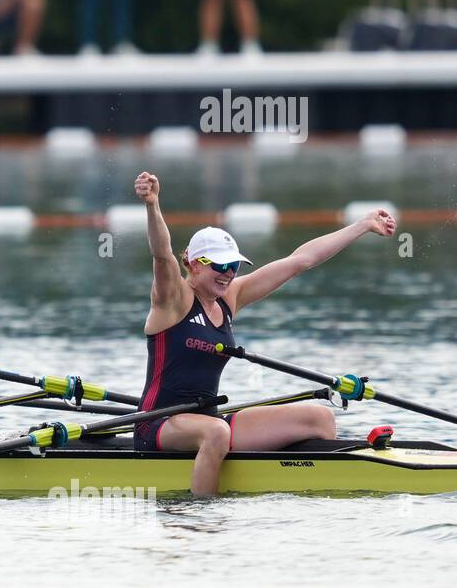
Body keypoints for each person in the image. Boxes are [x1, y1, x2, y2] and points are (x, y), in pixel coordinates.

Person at [132, 171, 397, 496]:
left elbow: (300, 260)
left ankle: (316, 491)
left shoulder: (231, 298)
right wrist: (152, 204)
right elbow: (162, 255)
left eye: (235, 266)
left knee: (319, 419)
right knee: (216, 434)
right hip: (158, 424)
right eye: (221, 266)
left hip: (210, 420)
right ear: (195, 264)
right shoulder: (173, 300)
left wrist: (362, 225)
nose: (229, 274)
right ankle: (202, 515)